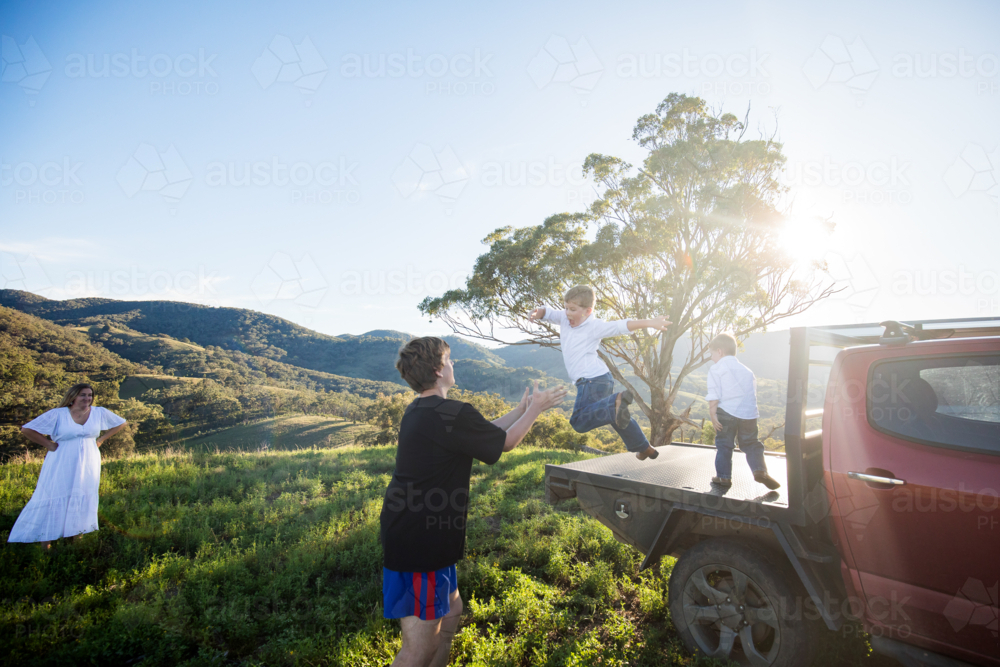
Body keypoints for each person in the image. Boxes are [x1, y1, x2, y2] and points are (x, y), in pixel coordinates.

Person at [380, 337, 566, 667]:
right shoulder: (452, 413)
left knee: (451, 612)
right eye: (449, 360)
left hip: (418, 532)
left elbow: (483, 434)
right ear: (438, 370)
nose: (453, 365)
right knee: (418, 648)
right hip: (420, 542)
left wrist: (521, 410)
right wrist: (536, 409)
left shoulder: (421, 410)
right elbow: (504, 444)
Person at [529, 285, 671, 461]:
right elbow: (548, 313)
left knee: (579, 422)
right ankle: (644, 447)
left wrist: (649, 322)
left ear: (588, 311)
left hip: (591, 381)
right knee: (615, 415)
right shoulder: (565, 318)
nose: (567, 313)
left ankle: (614, 403)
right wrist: (538, 312)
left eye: (572, 309)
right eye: (565, 308)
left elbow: (620, 326)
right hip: (601, 379)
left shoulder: (594, 326)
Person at [8, 383, 128, 549]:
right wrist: (49, 445)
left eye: (90, 395)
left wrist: (101, 439)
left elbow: (121, 423)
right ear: (73, 397)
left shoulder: (98, 412)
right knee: (54, 494)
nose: (87, 398)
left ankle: (75, 538)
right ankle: (46, 542)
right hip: (61, 459)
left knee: (82, 493)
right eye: (83, 395)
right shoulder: (58, 414)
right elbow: (27, 429)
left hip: (89, 459)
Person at [705, 333, 780, 490]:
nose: (711, 358)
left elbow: (714, 394)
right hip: (749, 414)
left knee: (724, 444)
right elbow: (751, 395)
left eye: (711, 354)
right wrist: (751, 415)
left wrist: (713, 414)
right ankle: (760, 470)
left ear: (719, 351)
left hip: (726, 412)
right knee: (751, 443)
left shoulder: (716, 368)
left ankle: (723, 477)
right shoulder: (747, 371)